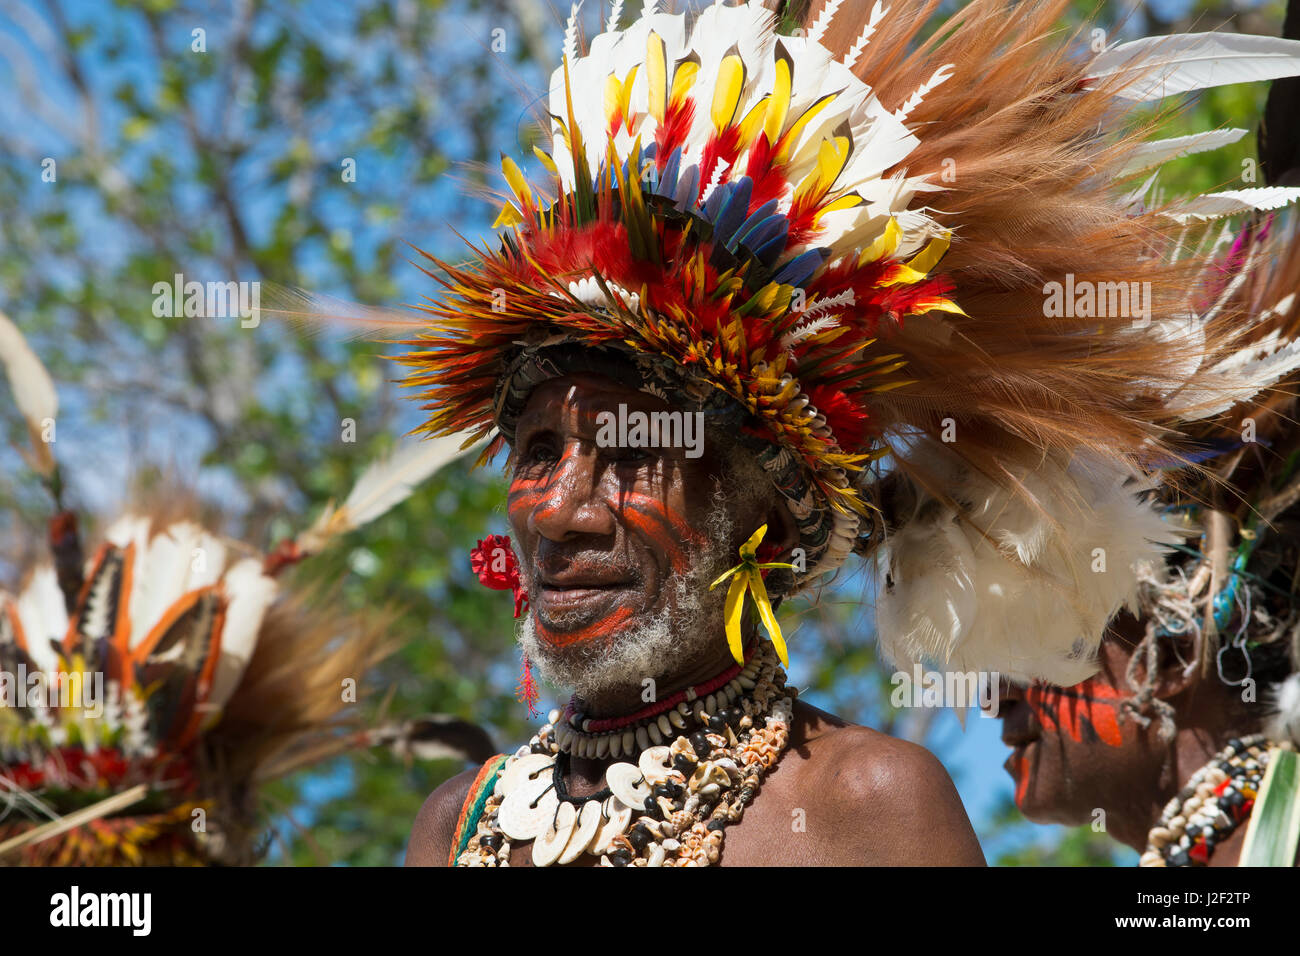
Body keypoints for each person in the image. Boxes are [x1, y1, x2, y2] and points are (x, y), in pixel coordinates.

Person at [372, 0, 1300, 866]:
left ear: (764, 504)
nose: (564, 512)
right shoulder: (456, 825)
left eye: (634, 455)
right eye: (540, 451)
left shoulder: (871, 809)